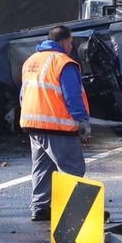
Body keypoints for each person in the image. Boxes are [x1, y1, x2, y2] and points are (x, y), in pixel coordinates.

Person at [20, 25, 90, 222]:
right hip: (57, 125)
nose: (71, 46)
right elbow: (72, 96)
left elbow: (23, 93)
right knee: (72, 169)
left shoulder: (31, 60)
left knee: (42, 168)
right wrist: (82, 121)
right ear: (64, 41)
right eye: (71, 42)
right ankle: (74, 213)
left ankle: (40, 208)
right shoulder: (64, 63)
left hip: (32, 123)